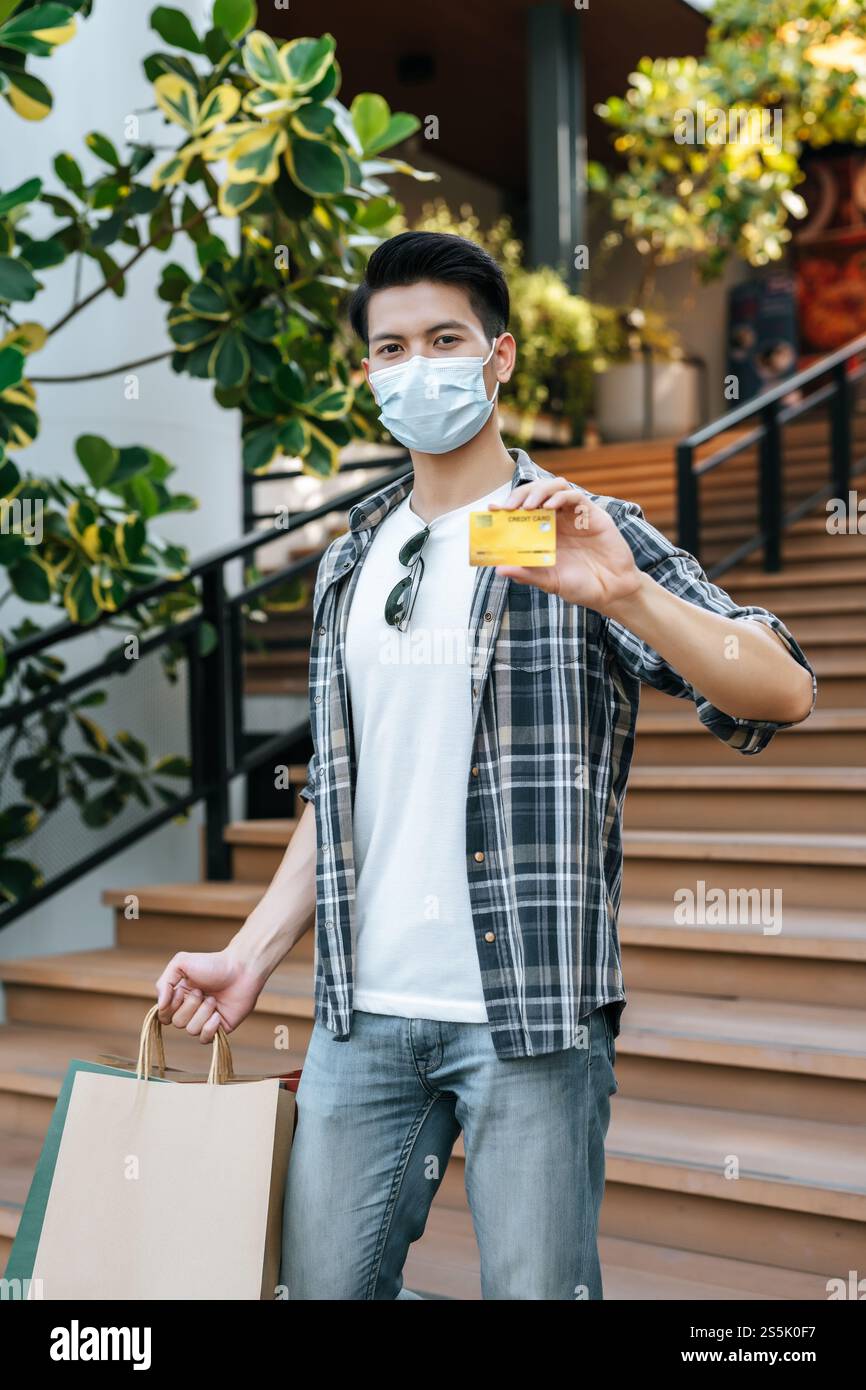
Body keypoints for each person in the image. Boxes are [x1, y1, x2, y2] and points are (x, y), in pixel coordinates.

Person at [155, 232, 816, 1300]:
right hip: (359, 1015)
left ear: (498, 357)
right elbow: (345, 787)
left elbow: (779, 689)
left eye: (444, 338)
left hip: (529, 1012)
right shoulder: (350, 557)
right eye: (392, 346)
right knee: (322, 1291)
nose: (419, 364)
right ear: (367, 372)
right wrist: (252, 953)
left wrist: (626, 596)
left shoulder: (566, 532)